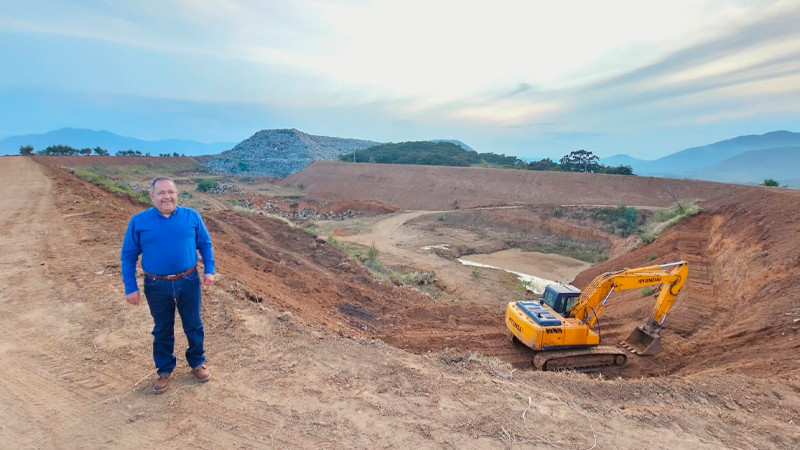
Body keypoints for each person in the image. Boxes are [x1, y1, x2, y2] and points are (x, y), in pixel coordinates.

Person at [121, 176, 215, 394]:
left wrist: (209, 269)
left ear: (176, 194)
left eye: (170, 192)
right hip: (156, 285)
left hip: (189, 280)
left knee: (193, 323)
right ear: (152, 196)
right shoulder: (139, 221)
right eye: (161, 193)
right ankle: (164, 369)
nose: (167, 197)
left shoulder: (191, 216)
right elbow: (128, 256)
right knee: (162, 328)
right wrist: (130, 286)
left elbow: (205, 244)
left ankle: (197, 362)